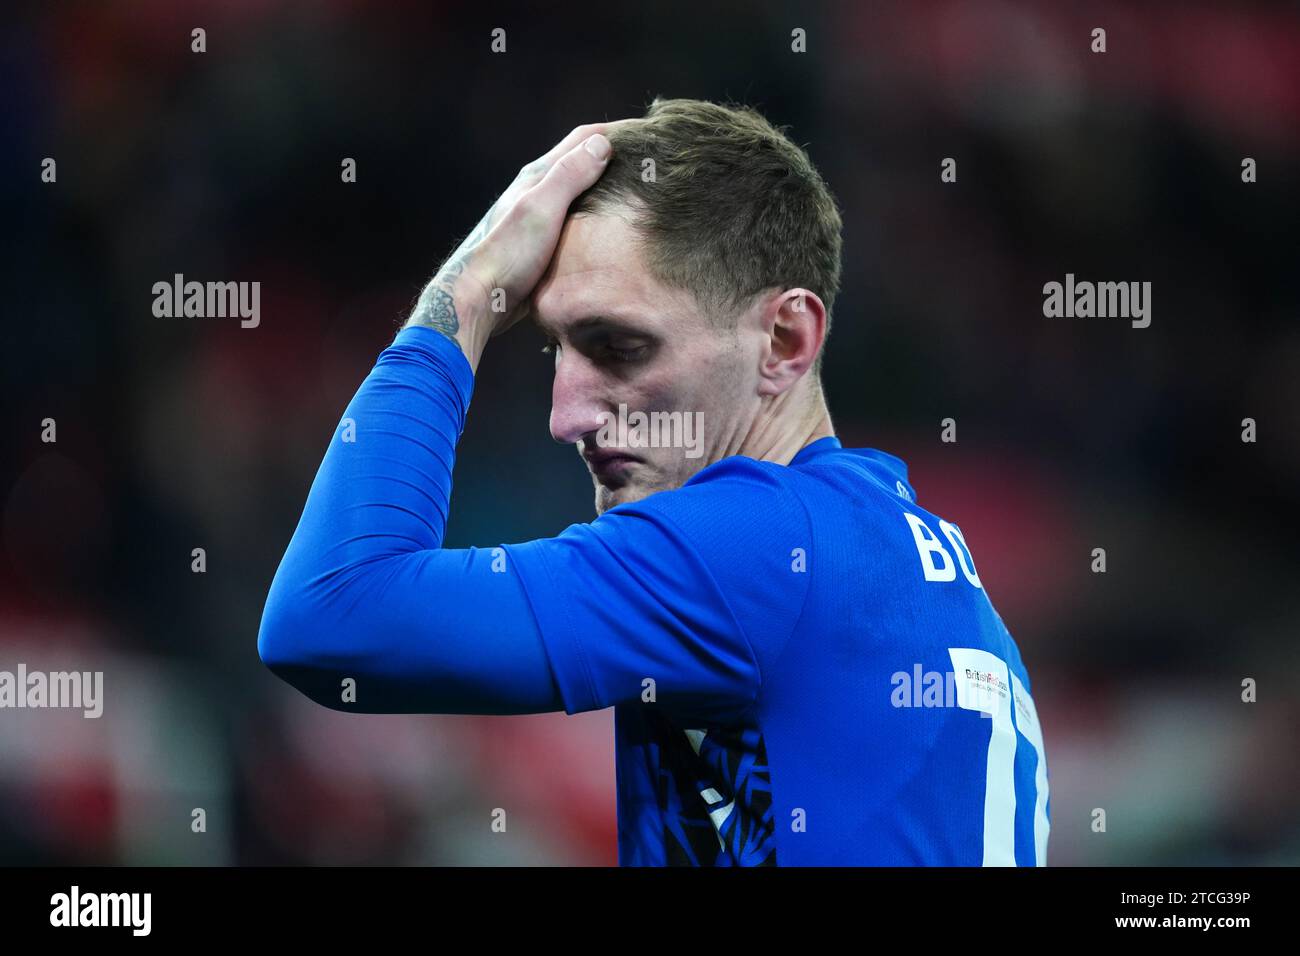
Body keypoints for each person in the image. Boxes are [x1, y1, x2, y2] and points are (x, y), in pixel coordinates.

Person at [258, 98, 1050, 866]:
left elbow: (331, 614)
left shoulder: (757, 546)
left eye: (621, 348)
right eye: (554, 350)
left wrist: (464, 294)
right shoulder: (927, 576)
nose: (565, 417)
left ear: (784, 339)